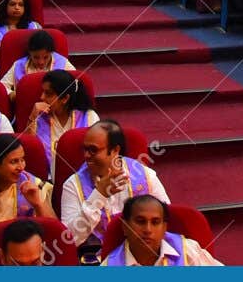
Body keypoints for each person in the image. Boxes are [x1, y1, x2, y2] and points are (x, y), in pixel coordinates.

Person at [60, 120, 168, 251]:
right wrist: (99, 195)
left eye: (93, 150)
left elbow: (166, 224)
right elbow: (68, 241)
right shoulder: (73, 185)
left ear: (115, 150)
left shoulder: (146, 177)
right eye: (85, 149)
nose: (86, 156)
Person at [103, 194, 223, 266]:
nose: (148, 230)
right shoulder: (110, 265)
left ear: (164, 228)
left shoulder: (187, 250)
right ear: (125, 227)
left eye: (155, 222)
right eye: (140, 221)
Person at [30, 69, 98, 171]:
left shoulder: (88, 117)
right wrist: (32, 117)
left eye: (48, 94)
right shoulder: (39, 117)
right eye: (42, 92)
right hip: (47, 180)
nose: (42, 97)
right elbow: (28, 153)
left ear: (65, 98)